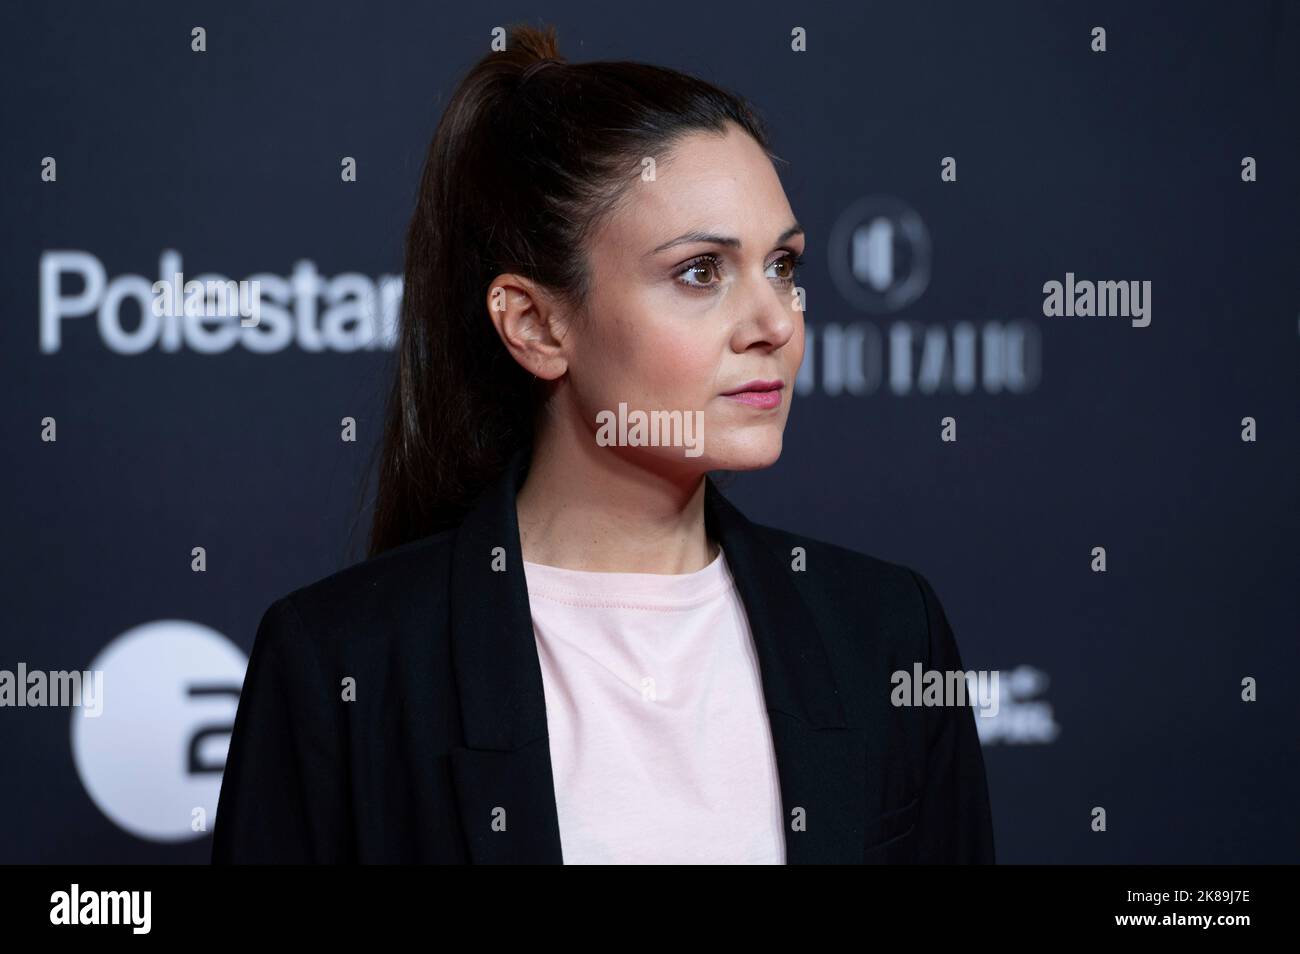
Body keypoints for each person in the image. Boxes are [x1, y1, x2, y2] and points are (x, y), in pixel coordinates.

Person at [211, 22, 994, 864]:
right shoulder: (340, 664)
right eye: (700, 271)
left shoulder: (883, 633)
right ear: (536, 325)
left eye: (784, 266)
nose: (775, 324)